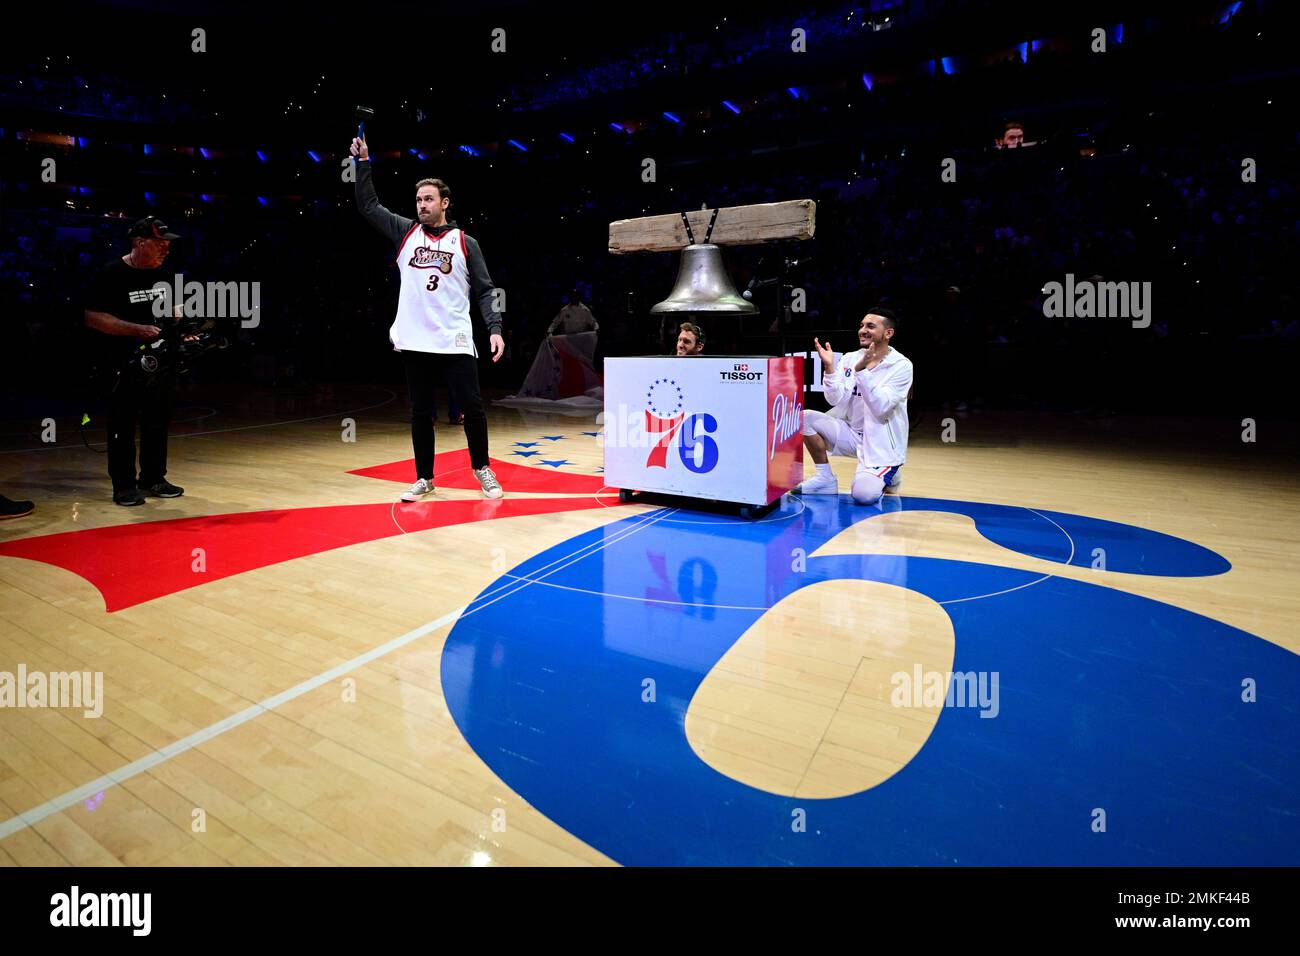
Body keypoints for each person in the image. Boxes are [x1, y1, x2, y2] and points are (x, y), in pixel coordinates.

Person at [350, 134, 504, 501]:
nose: (421, 204)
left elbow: (485, 290)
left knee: (472, 407)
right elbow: (369, 206)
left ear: (444, 203)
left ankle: (482, 468)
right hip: (416, 338)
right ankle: (424, 477)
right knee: (421, 411)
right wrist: (363, 163)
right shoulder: (406, 233)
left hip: (454, 338)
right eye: (418, 199)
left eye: (428, 199)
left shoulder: (466, 242)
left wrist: (495, 329)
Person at [82, 216, 187, 506]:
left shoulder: (165, 276)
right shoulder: (111, 274)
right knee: (122, 424)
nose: (166, 249)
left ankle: (154, 478)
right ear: (140, 243)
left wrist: (181, 326)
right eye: (160, 244)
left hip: (159, 363)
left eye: (167, 245)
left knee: (157, 421)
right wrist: (136, 330)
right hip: (121, 362)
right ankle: (124, 484)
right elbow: (93, 318)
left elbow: (172, 310)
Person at [797, 307, 911, 504]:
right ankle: (825, 479)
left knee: (863, 496)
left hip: (880, 445)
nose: (863, 330)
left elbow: (881, 407)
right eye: (861, 326)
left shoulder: (901, 366)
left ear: (888, 333)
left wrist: (862, 371)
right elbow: (835, 400)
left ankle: (889, 473)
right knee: (804, 418)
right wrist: (830, 368)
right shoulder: (850, 357)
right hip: (851, 434)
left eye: (870, 326)